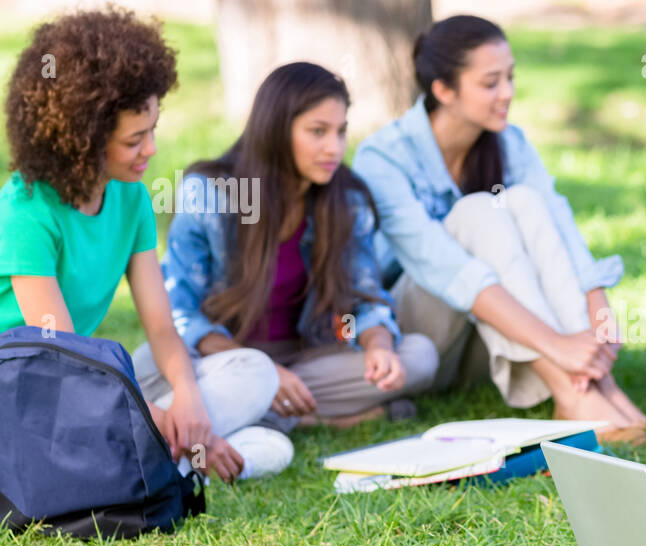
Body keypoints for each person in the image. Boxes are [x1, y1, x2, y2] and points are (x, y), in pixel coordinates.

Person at [0, 6, 287, 483]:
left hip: (87, 378)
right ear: (84, 141)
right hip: (29, 390)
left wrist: (189, 399)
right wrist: (156, 414)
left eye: (153, 129)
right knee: (127, 396)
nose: (151, 150)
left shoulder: (130, 198)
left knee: (252, 371)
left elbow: (160, 325)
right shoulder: (25, 213)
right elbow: (64, 358)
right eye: (135, 139)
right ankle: (176, 453)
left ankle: (163, 451)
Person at [353, 15, 646, 445]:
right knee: (478, 212)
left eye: (511, 78)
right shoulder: (382, 158)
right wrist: (557, 343)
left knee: (525, 202)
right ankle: (568, 394)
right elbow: (446, 270)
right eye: (491, 82)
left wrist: (596, 316)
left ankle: (599, 388)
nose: (508, 94)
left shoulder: (508, 142)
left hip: (485, 337)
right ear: (443, 90)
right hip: (417, 343)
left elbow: (559, 223)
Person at [141, 62, 438, 433]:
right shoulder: (211, 195)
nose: (334, 147)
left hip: (307, 362)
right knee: (153, 369)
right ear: (277, 132)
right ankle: (317, 418)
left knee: (419, 356)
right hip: (224, 360)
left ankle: (267, 415)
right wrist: (262, 370)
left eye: (341, 132)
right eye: (317, 132)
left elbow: (364, 300)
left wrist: (378, 344)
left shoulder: (346, 199)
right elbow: (180, 314)